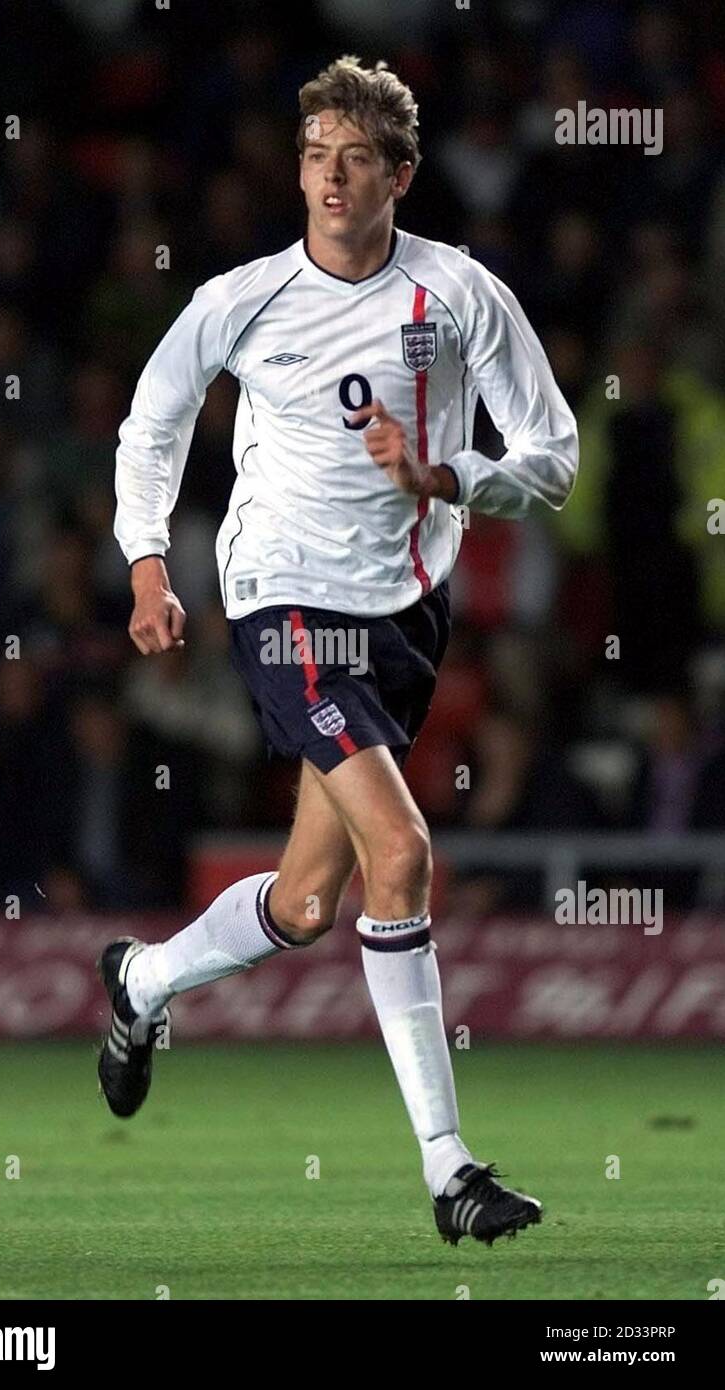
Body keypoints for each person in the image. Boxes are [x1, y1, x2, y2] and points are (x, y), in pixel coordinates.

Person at [100, 56, 578, 1248]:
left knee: (311, 901)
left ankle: (140, 983)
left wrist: (448, 474)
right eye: (314, 154)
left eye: (353, 157)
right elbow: (152, 418)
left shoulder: (460, 294)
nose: (328, 176)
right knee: (401, 852)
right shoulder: (241, 297)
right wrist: (148, 561)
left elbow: (553, 456)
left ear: (399, 175)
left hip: (403, 614)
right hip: (281, 600)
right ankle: (449, 1171)